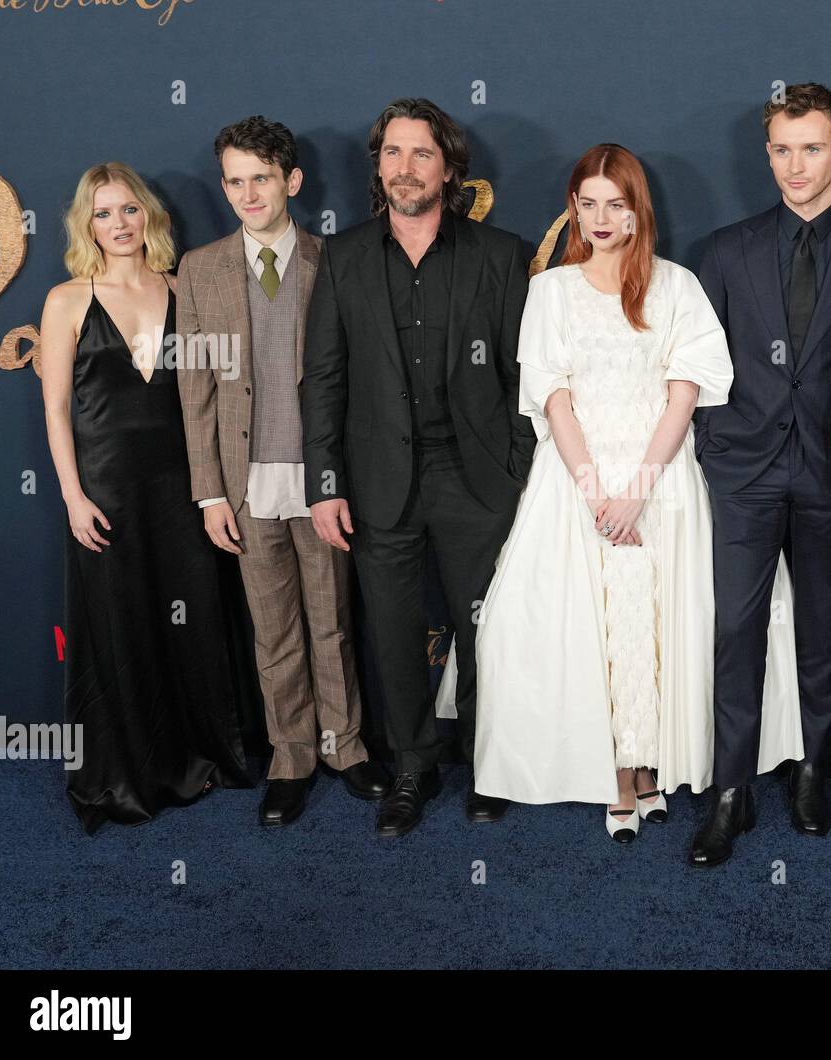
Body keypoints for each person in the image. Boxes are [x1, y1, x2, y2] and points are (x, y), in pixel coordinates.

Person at [455, 144, 801, 843]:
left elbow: (685, 395)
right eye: (588, 203)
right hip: (576, 486)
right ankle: (615, 774)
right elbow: (550, 399)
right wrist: (595, 493)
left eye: (616, 202)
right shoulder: (550, 291)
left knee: (659, 625)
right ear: (574, 208)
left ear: (638, 208)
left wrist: (638, 490)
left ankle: (650, 767)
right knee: (590, 629)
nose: (602, 217)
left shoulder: (675, 286)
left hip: (660, 480)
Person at [301, 98, 535, 837]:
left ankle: (490, 762)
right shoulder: (340, 260)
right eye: (393, 154)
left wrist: (518, 469)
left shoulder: (499, 256)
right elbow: (324, 381)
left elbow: (522, 378)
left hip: (476, 479)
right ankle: (412, 767)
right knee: (396, 632)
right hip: (377, 483)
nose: (405, 168)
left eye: (421, 154)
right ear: (378, 167)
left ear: (450, 168)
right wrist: (325, 485)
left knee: (485, 633)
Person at [691, 83, 831, 867]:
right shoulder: (726, 249)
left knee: (821, 634)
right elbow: (699, 369)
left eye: (813, 148)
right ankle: (732, 789)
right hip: (742, 473)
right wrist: (717, 444)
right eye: (782, 148)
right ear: (767, 153)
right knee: (734, 632)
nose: (796, 164)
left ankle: (813, 768)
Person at [176, 116, 388, 828]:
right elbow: (195, 389)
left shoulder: (337, 261)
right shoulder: (199, 270)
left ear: (291, 182)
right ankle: (291, 757)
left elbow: (360, 382)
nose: (246, 193)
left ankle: (346, 746)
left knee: (330, 622)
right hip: (244, 483)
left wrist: (346, 477)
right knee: (274, 632)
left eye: (260, 178)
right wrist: (210, 492)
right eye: (234, 181)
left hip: (321, 481)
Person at [39, 162, 251, 834]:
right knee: (119, 627)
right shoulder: (67, 300)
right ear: (87, 225)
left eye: (129, 210)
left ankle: (197, 757)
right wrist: (73, 496)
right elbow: (54, 411)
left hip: (182, 486)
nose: (119, 225)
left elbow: (215, 396)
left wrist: (213, 486)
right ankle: (129, 769)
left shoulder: (183, 289)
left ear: (149, 217)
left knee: (192, 623)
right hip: (106, 491)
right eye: (104, 214)